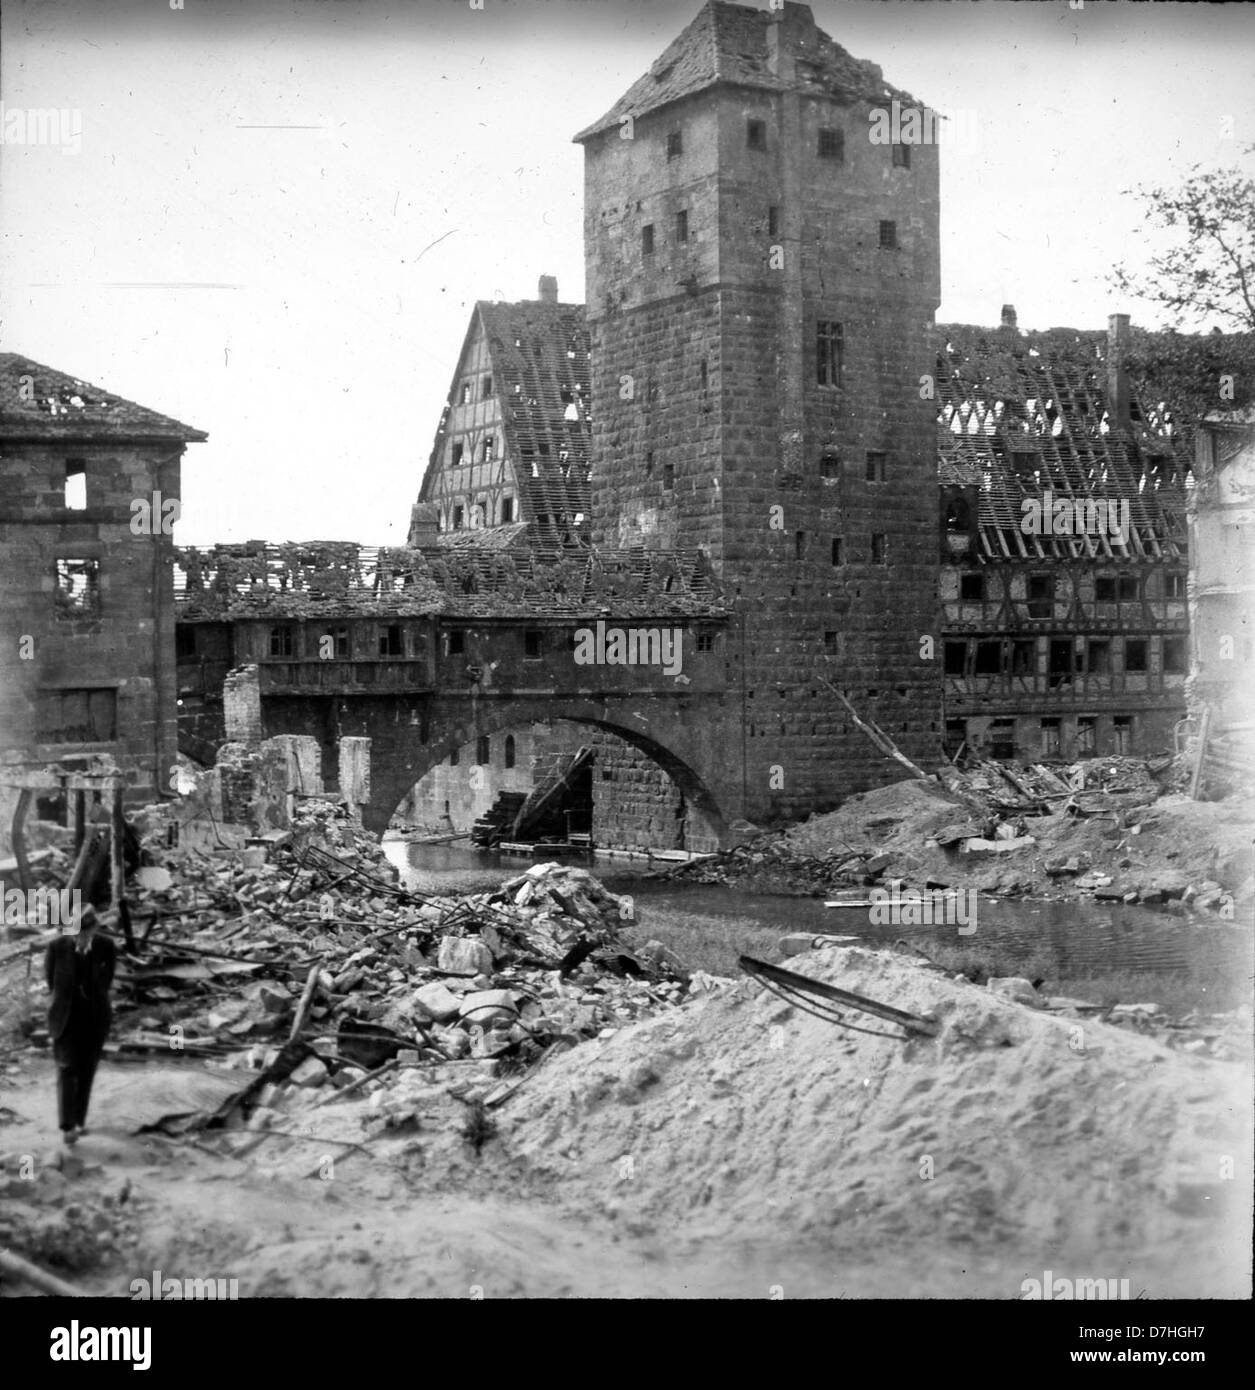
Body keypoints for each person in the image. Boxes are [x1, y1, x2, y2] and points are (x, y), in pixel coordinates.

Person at [45, 904, 116, 1145]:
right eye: (76, 933)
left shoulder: (106, 947)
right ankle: (67, 1126)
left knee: (86, 1072)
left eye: (86, 933)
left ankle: (78, 1120)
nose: (81, 937)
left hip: (94, 1019)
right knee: (66, 1069)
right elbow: (51, 983)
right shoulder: (56, 947)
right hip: (65, 1019)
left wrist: (92, 995)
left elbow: (106, 982)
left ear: (94, 929)